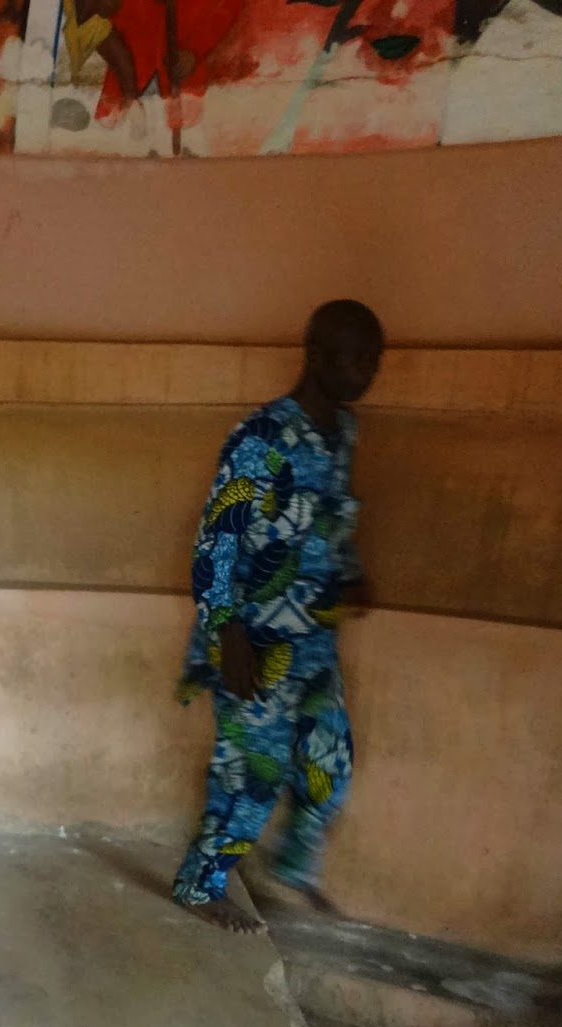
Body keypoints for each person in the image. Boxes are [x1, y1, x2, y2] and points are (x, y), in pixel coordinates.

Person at [171, 299, 383, 934]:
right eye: (355, 358)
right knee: (252, 774)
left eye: (375, 359)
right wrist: (226, 631)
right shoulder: (259, 438)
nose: (367, 371)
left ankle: (293, 865)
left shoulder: (343, 432)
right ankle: (199, 884)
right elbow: (218, 537)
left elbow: (331, 516)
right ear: (314, 357)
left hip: (313, 636)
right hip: (251, 638)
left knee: (329, 760)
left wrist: (350, 572)